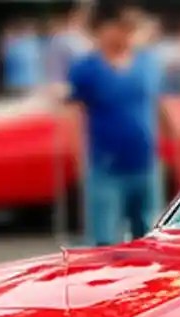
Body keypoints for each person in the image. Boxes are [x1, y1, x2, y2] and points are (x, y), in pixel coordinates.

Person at [68, 2, 171, 247]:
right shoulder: (87, 69)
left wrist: (170, 147)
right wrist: (77, 159)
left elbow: (158, 104)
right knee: (103, 239)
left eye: (130, 28)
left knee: (148, 237)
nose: (126, 34)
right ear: (104, 29)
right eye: (121, 27)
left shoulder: (147, 63)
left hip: (144, 164)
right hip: (106, 168)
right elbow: (75, 114)